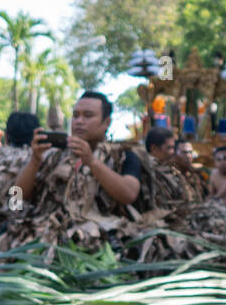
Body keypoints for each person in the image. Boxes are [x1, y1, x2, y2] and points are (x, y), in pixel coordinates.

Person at [14, 91, 142, 225]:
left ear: (107, 122)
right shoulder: (55, 155)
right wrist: (35, 160)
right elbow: (17, 195)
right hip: (46, 231)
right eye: (75, 116)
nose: (79, 121)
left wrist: (92, 162)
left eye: (88, 116)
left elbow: (129, 194)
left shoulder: (123, 155)